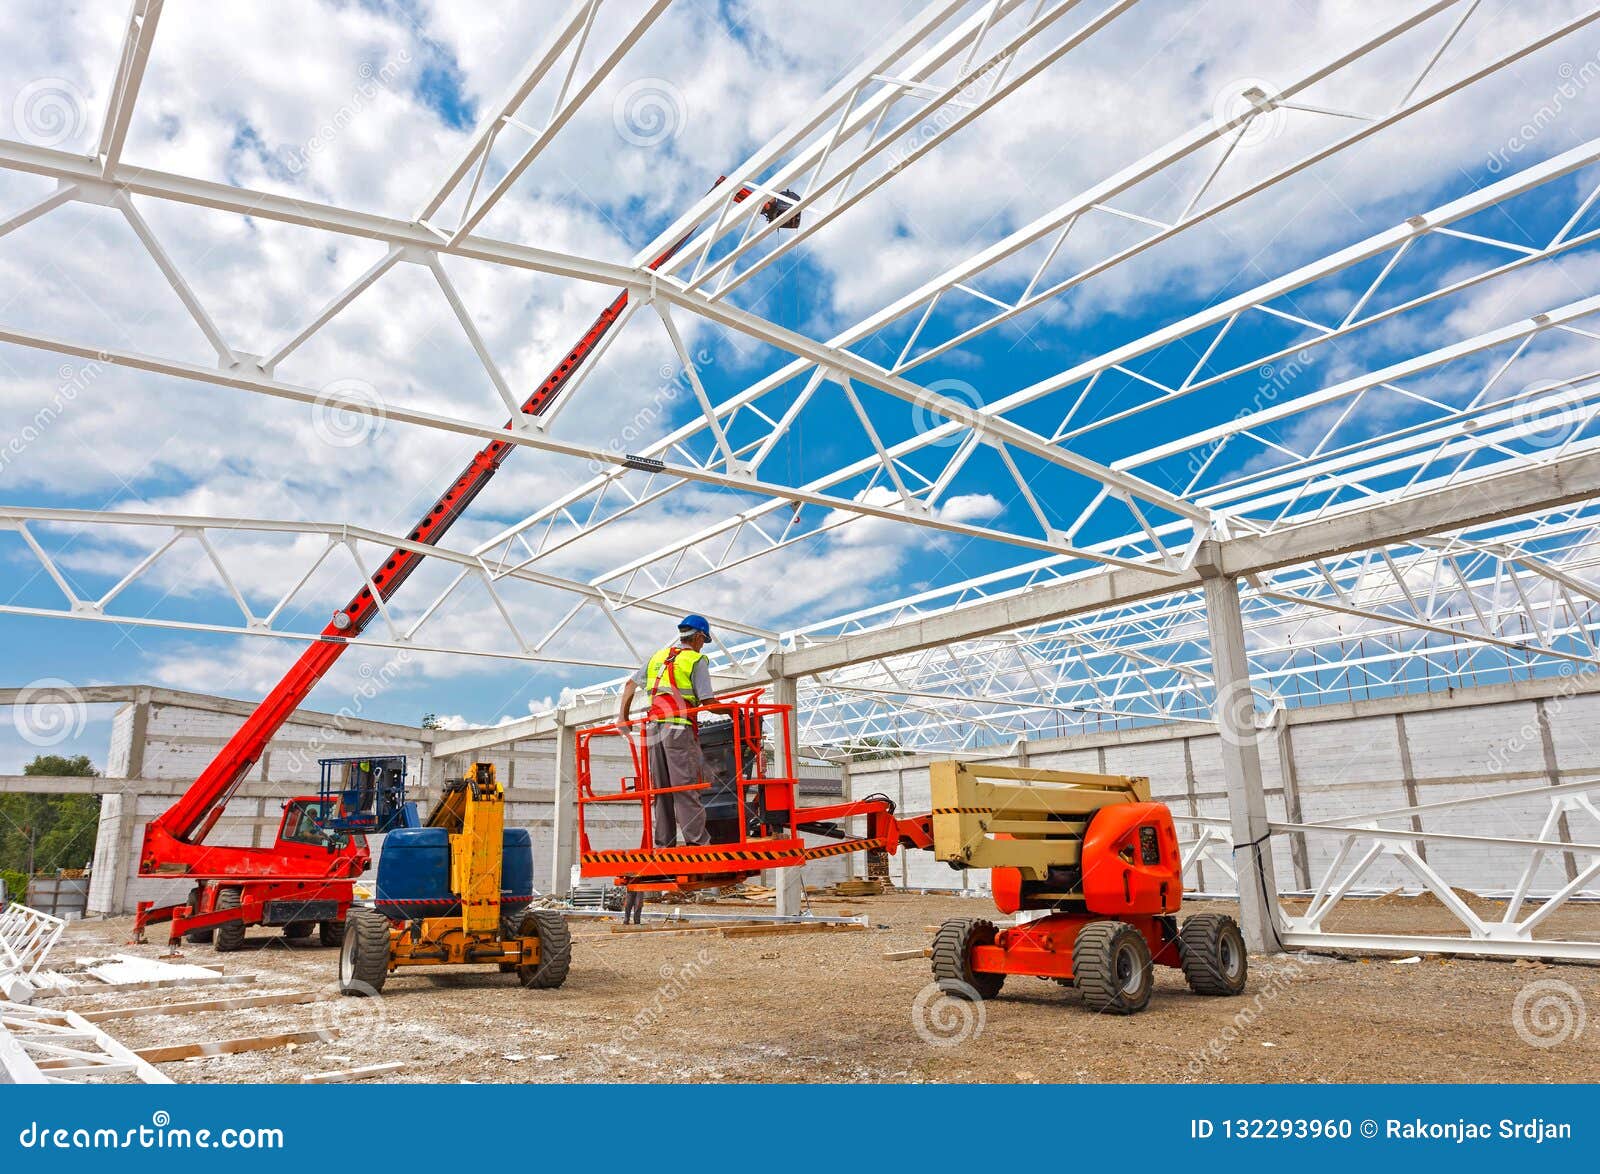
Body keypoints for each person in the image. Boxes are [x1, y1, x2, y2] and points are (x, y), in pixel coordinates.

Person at [616, 614, 739, 847]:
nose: (703, 645)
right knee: (685, 787)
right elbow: (708, 703)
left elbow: (629, 684)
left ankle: (664, 844)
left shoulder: (658, 657)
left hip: (654, 730)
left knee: (661, 790)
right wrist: (733, 712)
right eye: (703, 640)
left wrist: (624, 717)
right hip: (678, 729)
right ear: (699, 637)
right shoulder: (696, 659)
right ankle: (698, 842)